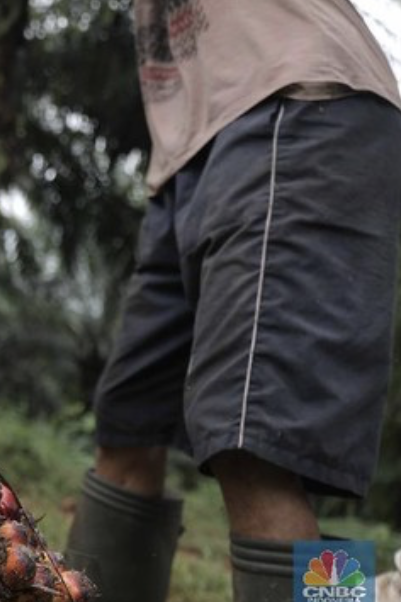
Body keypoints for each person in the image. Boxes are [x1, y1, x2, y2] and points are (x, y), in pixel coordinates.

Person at [63, 1, 401, 601]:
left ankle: (336, 595)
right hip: (187, 156)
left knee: (259, 447)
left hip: (295, 100)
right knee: (127, 428)